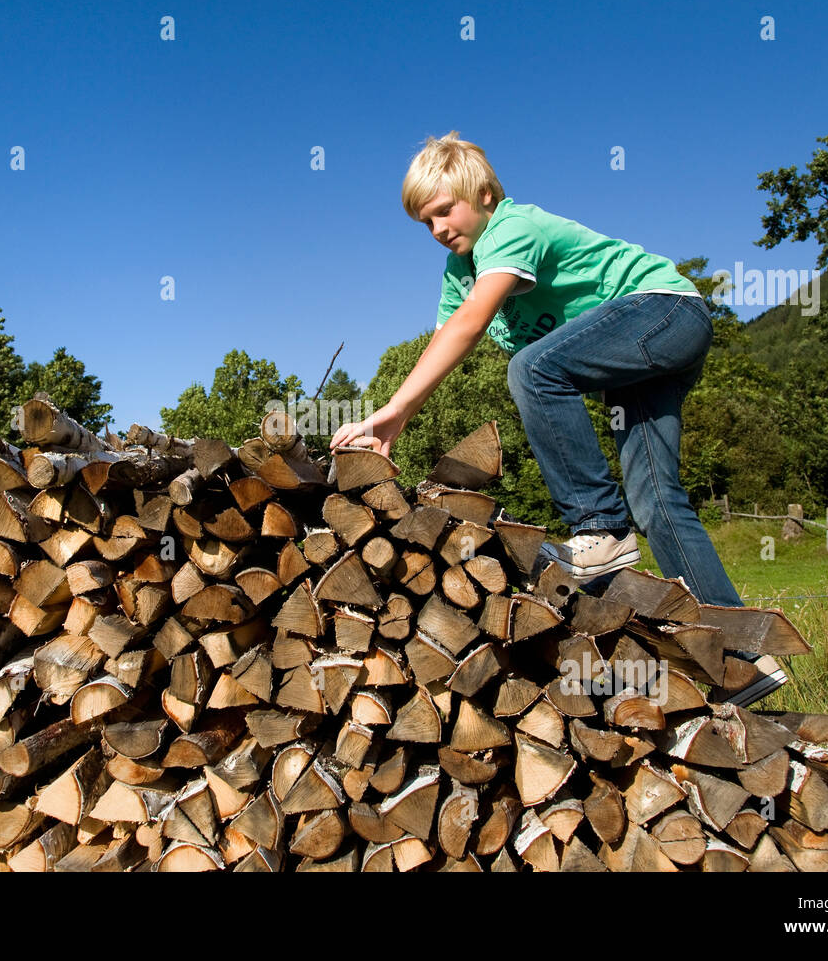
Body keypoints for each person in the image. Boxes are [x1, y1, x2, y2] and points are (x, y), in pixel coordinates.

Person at [328, 131, 785, 706]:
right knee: (656, 499)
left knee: (533, 369)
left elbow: (472, 320)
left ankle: (600, 530)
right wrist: (391, 422)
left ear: (486, 194)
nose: (440, 229)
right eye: (426, 222)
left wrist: (394, 411)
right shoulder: (458, 269)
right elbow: (447, 337)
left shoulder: (512, 228)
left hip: (667, 312)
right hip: (643, 355)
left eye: (446, 210)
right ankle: (743, 655)